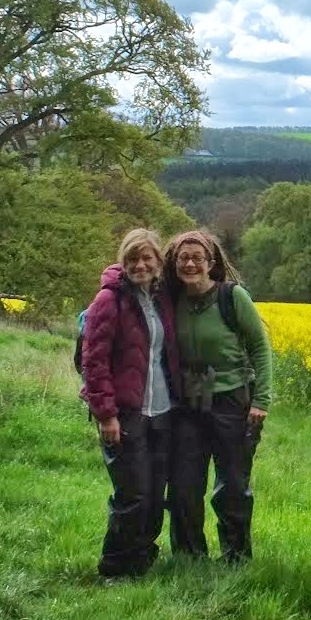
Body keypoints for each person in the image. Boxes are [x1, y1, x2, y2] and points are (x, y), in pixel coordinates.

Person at [160, 229, 272, 562]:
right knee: (183, 484)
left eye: (197, 257)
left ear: (211, 262)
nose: (190, 263)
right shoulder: (170, 299)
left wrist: (261, 401)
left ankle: (235, 557)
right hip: (188, 401)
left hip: (231, 398)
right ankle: (188, 556)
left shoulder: (232, 297)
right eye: (183, 257)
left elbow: (261, 349)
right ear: (174, 262)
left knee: (233, 485)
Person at [78, 228, 182, 579]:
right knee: (132, 493)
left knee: (154, 493)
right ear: (123, 262)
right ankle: (114, 568)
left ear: (157, 262)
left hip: (162, 411)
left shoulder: (161, 298)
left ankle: (141, 561)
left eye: (147, 258)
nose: (140, 265)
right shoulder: (109, 300)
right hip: (125, 413)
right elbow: (94, 361)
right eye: (133, 259)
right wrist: (105, 415)